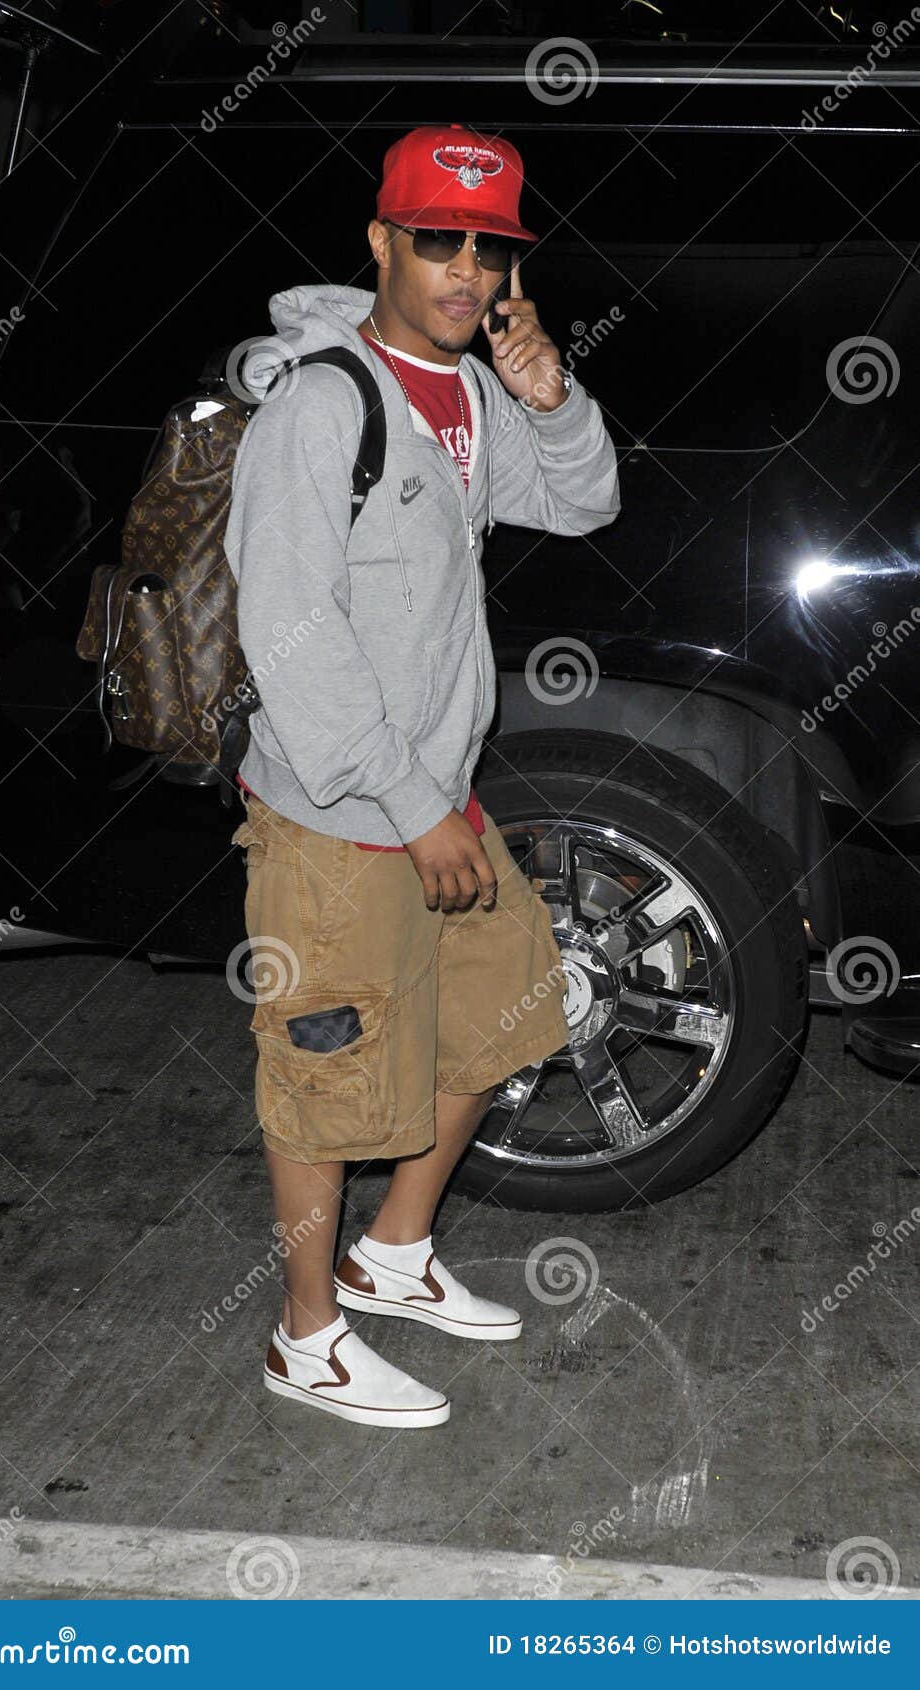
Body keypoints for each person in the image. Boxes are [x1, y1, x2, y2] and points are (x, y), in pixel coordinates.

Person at [224, 122, 620, 1429]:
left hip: (434, 793)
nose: (461, 267)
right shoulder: (320, 404)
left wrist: (550, 397)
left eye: (485, 245)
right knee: (326, 1067)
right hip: (338, 811)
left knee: (508, 1003)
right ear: (384, 241)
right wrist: (406, 806)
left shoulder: (464, 395)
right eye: (434, 238)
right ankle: (305, 1333)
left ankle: (391, 1251)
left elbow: (581, 505)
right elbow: (287, 629)